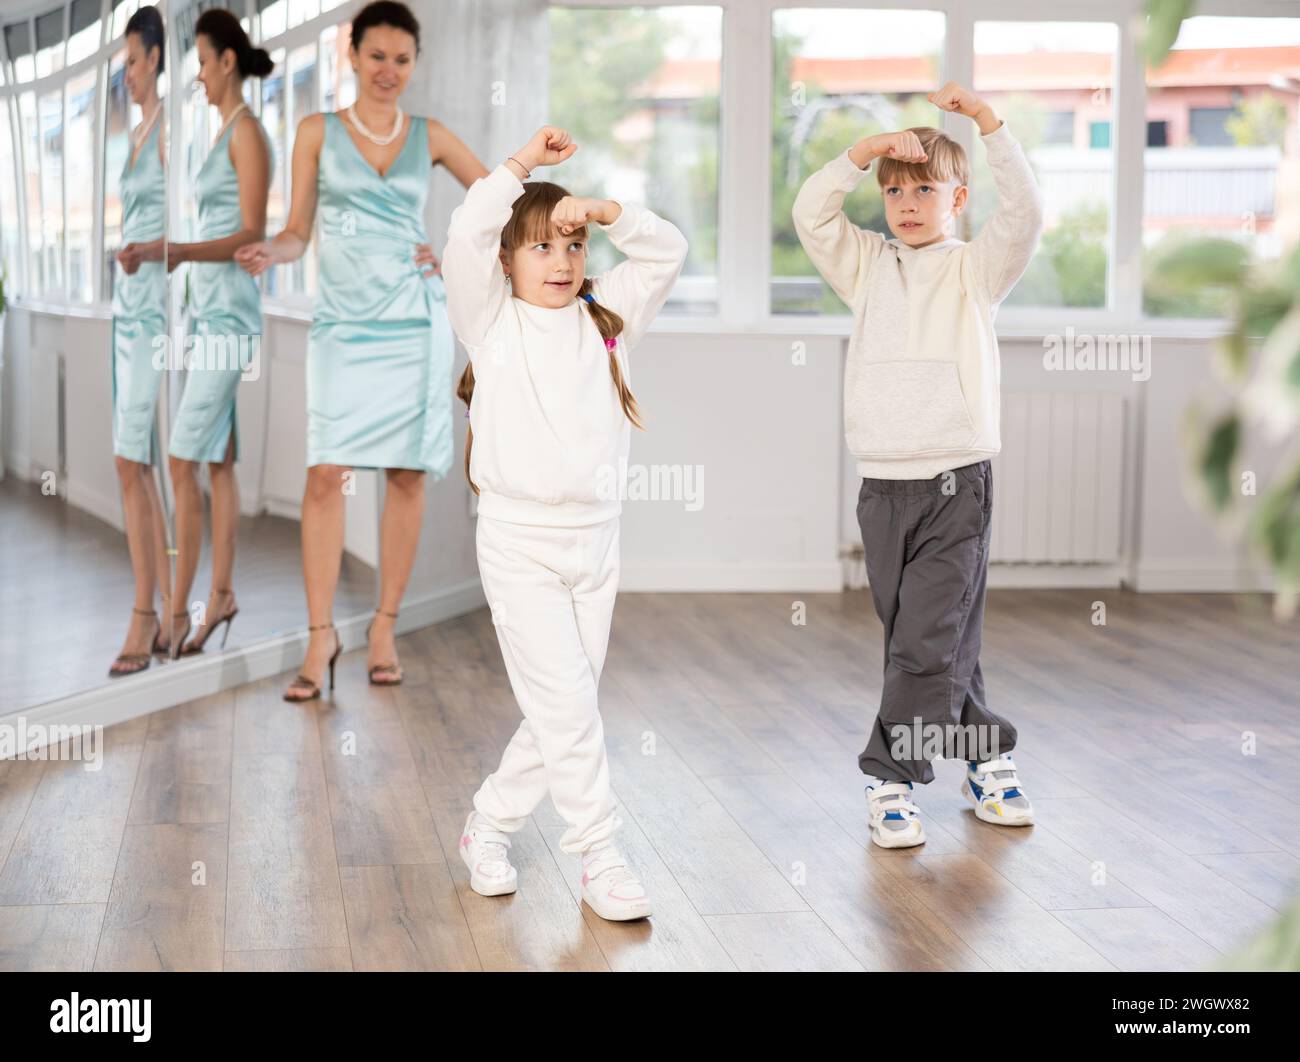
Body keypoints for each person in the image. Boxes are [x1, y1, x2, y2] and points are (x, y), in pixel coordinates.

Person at [442, 125, 688, 921]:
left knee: (562, 709)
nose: (562, 261)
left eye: (573, 245)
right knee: (570, 708)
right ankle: (600, 855)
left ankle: (488, 824)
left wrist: (607, 209)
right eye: (542, 247)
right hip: (518, 543)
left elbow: (668, 250)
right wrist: (522, 167)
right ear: (508, 263)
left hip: (597, 542)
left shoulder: (606, 321)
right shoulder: (489, 321)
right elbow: (469, 227)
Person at [791, 81, 1044, 848]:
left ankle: (889, 776)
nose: (906, 201)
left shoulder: (977, 269)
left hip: (955, 482)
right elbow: (812, 212)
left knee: (926, 642)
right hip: (882, 486)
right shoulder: (866, 266)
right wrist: (860, 152)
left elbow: (1026, 213)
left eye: (924, 189)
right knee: (930, 638)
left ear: (957, 199)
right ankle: (983, 754)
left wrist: (989, 124)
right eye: (894, 189)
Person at [235, 1, 488, 700]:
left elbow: (500, 195)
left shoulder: (429, 135)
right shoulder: (317, 131)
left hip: (412, 322)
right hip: (345, 328)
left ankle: (383, 627)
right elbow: (297, 231)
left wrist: (455, 256)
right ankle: (322, 639)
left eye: (402, 60)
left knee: (406, 476)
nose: (389, 71)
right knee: (326, 475)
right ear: (351, 54)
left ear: (414, 64)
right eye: (377, 56)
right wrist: (271, 251)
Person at [166, 8, 274, 657]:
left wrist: (184, 249)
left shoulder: (248, 134)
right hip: (209, 320)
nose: (199, 77)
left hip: (230, 325)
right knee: (218, 463)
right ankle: (224, 595)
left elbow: (253, 233)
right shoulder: (221, 133)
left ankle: (176, 612)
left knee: (181, 459)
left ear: (226, 61)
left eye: (203, 63)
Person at [108, 4, 172, 677]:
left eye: (131, 60)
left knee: (132, 460)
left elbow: (183, 220)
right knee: (133, 463)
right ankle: (150, 609)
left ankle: (146, 613)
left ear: (155, 55)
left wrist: (148, 251)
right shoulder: (134, 131)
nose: (125, 74)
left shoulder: (172, 132)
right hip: (125, 309)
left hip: (155, 312)